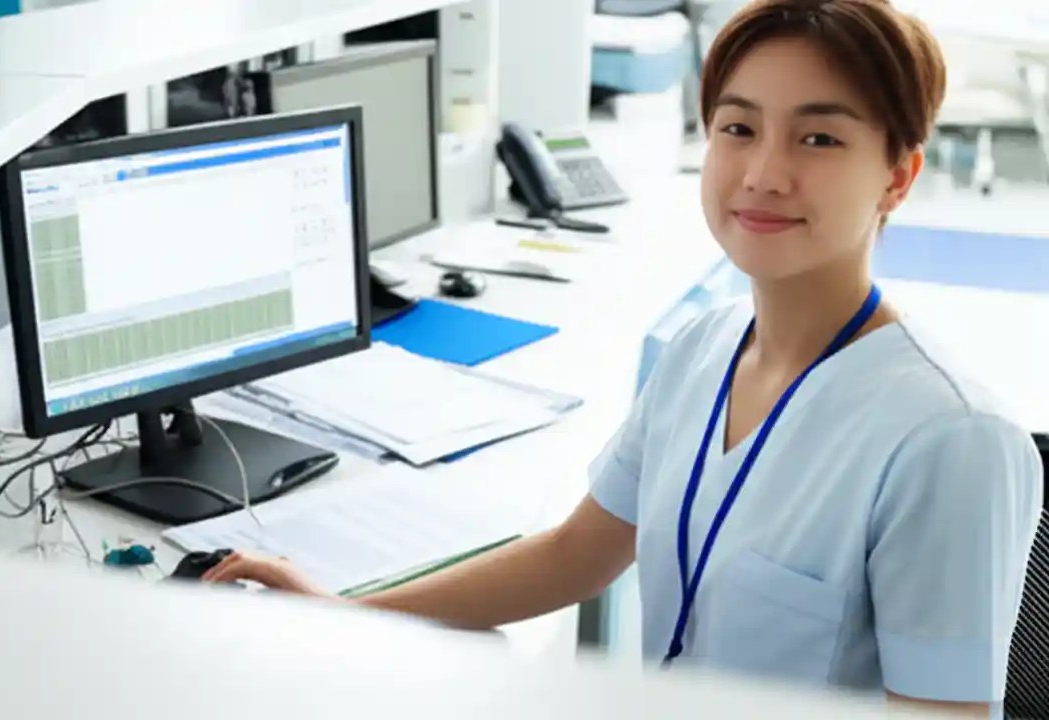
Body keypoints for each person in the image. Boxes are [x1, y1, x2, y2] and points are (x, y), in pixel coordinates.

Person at [203, 0, 1044, 714]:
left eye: (818, 140)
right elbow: (579, 554)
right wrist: (343, 613)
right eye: (738, 128)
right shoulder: (703, 348)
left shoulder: (952, 444)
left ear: (897, 176)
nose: (763, 172)